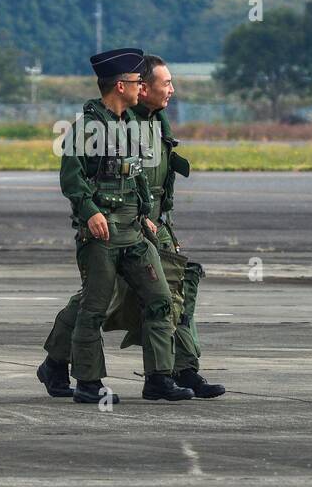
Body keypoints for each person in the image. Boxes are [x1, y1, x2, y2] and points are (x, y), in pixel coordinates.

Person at [39, 55, 224, 399]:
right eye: (152, 83)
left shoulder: (138, 124)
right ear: (124, 85)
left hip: (139, 227)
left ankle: (168, 375)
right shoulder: (95, 126)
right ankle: (81, 378)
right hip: (105, 231)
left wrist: (146, 217)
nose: (166, 89)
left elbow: (138, 175)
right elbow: (73, 176)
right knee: (95, 304)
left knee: (165, 297)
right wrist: (90, 211)